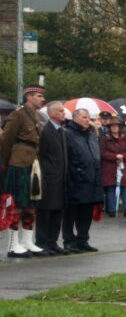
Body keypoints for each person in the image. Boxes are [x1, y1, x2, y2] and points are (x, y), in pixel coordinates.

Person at [0, 84, 47, 258]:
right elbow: (5, 141)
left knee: (30, 204)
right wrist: (4, 165)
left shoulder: (35, 115)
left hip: (32, 164)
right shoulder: (18, 115)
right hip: (18, 164)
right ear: (29, 97)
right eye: (39, 96)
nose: (42, 99)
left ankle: (27, 241)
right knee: (17, 205)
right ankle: (13, 245)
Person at [63, 108, 102, 252]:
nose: (88, 120)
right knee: (71, 213)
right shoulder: (68, 133)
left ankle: (83, 240)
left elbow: (95, 155)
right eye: (84, 117)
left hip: (91, 179)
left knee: (86, 213)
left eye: (88, 117)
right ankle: (69, 241)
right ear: (75, 118)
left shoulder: (91, 134)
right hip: (75, 179)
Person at [35, 100, 69, 256]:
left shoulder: (61, 131)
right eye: (61, 111)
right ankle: (42, 242)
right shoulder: (45, 131)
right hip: (49, 177)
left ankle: (53, 241)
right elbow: (41, 155)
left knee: (57, 211)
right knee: (46, 211)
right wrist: (45, 173)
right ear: (52, 113)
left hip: (61, 178)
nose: (64, 113)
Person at [100, 118, 126, 217]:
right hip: (110, 166)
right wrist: (115, 156)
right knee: (111, 188)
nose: (114, 128)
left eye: (116, 126)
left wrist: (123, 156)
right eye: (112, 126)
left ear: (120, 127)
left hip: (123, 166)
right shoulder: (105, 139)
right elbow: (103, 153)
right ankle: (112, 210)